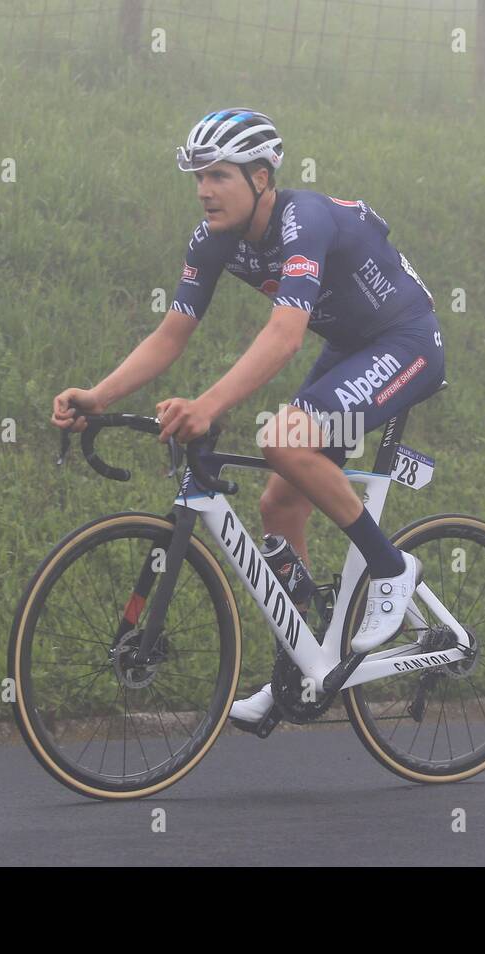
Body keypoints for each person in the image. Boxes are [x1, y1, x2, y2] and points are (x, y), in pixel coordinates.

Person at [51, 108, 446, 725]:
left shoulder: (302, 220)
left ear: (261, 178)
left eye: (218, 176)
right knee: (278, 506)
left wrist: (207, 406)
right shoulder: (212, 240)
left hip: (406, 343)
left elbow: (285, 335)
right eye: (198, 177)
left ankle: (392, 568)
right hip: (350, 346)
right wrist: (99, 396)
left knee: (284, 441)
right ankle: (304, 669)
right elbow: (171, 333)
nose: (204, 190)